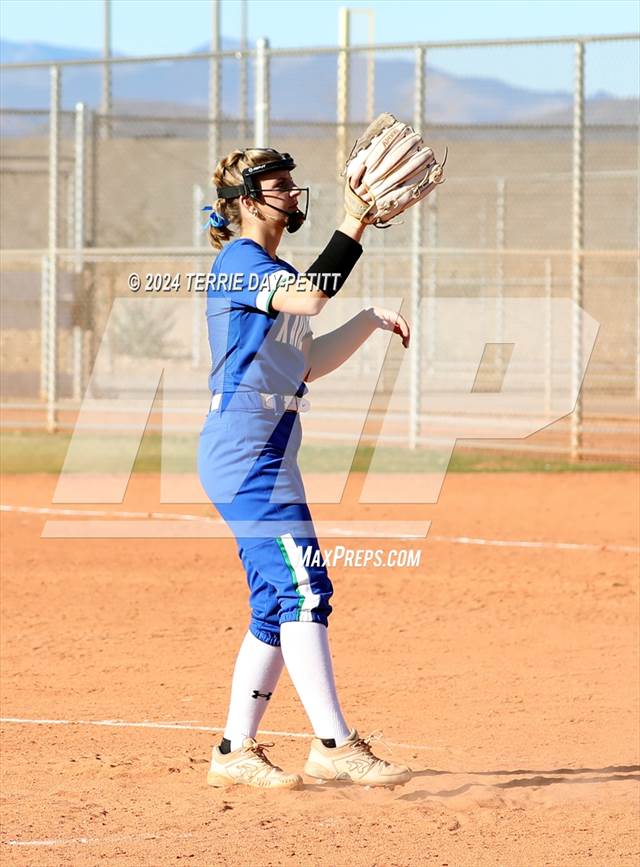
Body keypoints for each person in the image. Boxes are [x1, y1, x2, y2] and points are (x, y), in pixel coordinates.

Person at [197, 146, 412, 790]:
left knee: (274, 603)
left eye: (292, 184)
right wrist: (355, 224)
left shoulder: (270, 270)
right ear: (245, 200)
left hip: (265, 448)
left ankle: (235, 751)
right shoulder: (240, 261)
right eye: (279, 186)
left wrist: (370, 320)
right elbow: (311, 300)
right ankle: (334, 745)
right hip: (246, 448)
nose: (293, 194)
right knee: (304, 590)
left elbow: (307, 358)